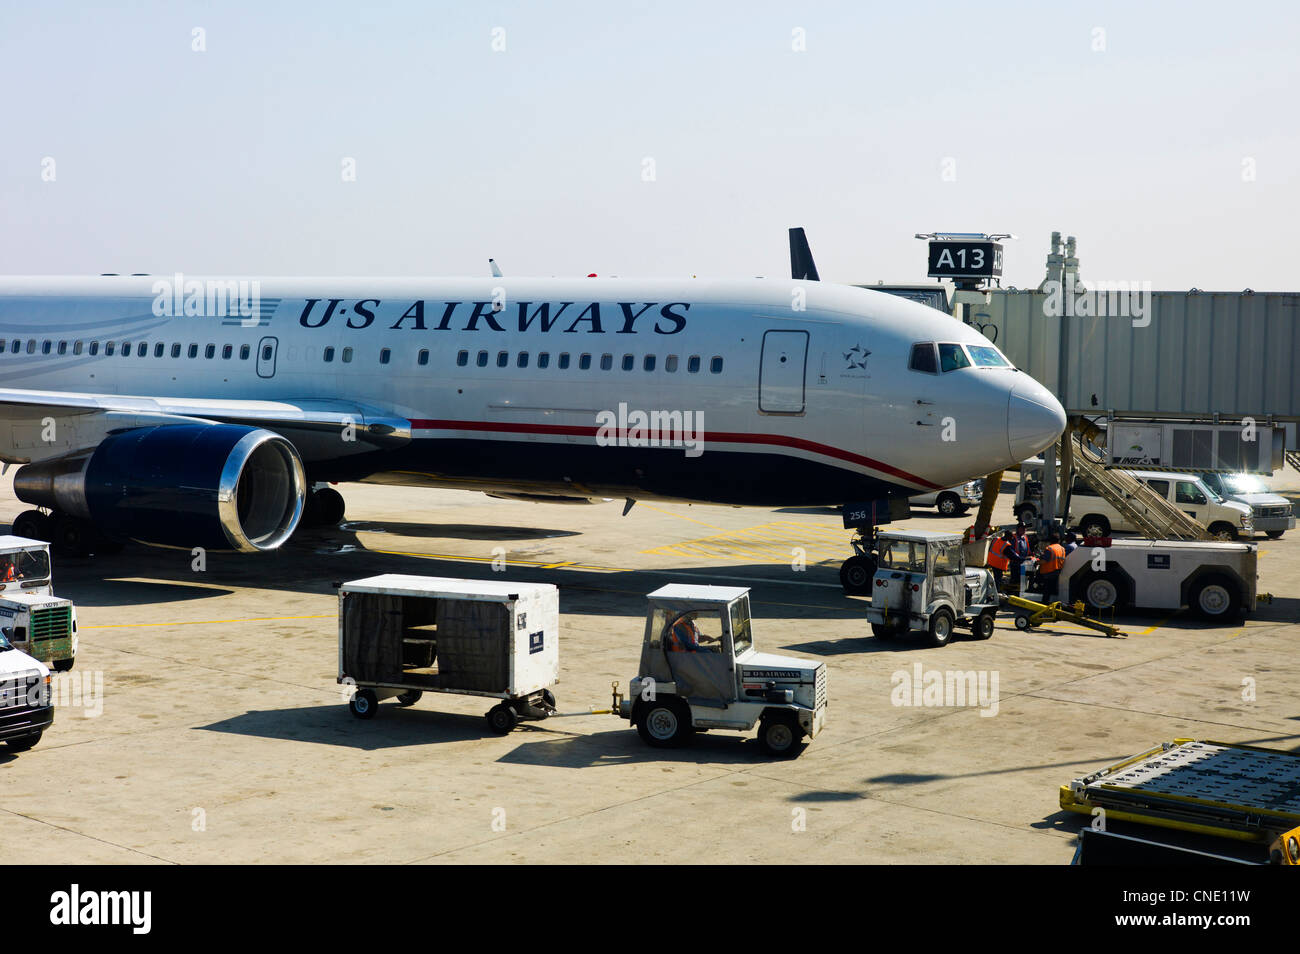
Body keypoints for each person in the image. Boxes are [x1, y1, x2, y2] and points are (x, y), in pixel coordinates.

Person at [1036, 533, 1067, 599]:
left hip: (1048, 572)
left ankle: (1045, 602)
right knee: (1052, 588)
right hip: (1057, 571)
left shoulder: (1050, 549)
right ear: (1059, 540)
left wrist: (1037, 562)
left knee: (1046, 588)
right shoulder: (1062, 548)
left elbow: (1044, 560)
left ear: (1050, 541)